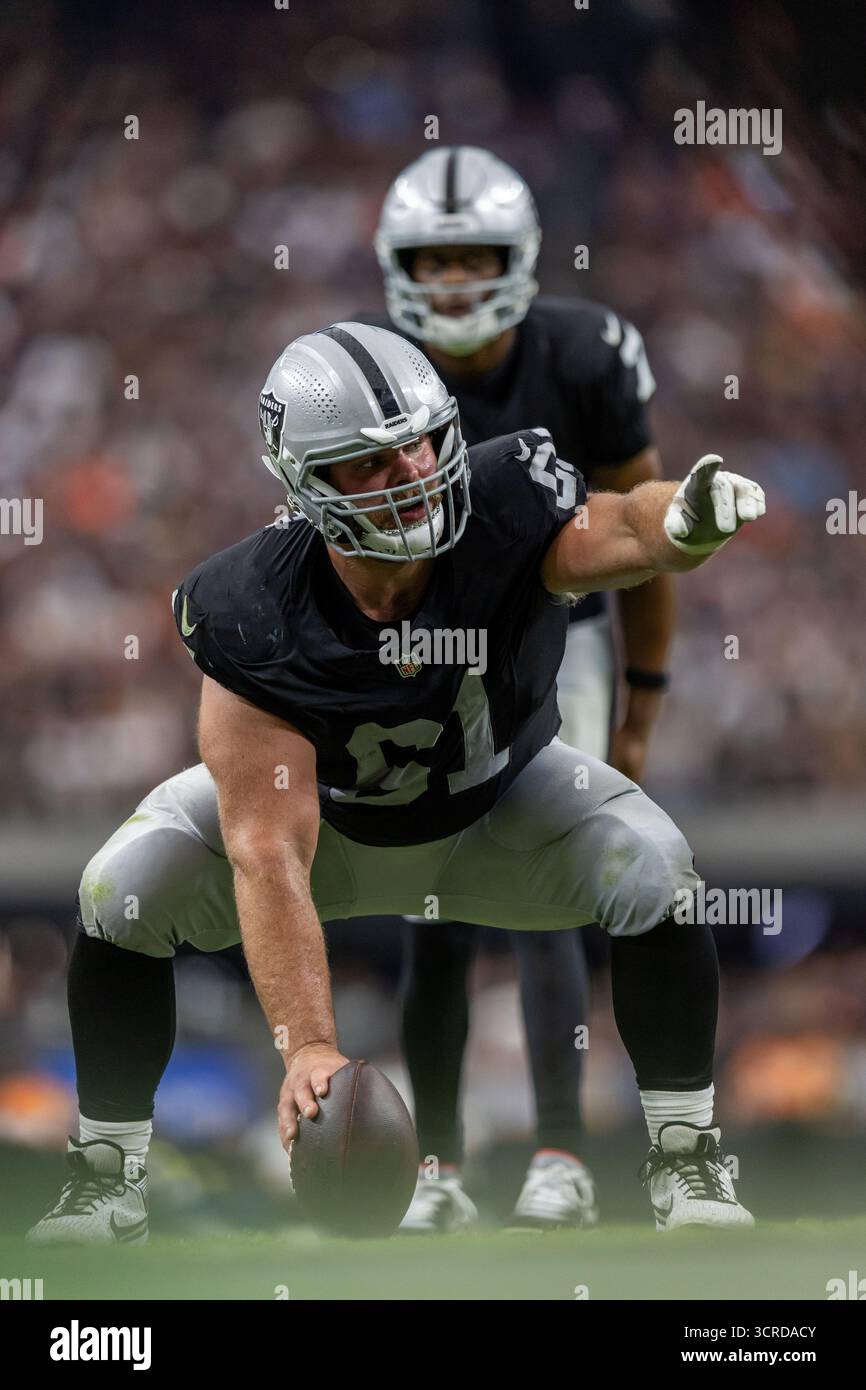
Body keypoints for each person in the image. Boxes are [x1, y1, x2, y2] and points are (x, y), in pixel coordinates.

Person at [28, 321, 763, 1245]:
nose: (412, 471)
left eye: (420, 441)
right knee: (121, 887)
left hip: (498, 813)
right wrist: (308, 1045)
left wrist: (679, 523)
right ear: (306, 483)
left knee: (657, 865)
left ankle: (686, 1157)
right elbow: (268, 854)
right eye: (371, 461)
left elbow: (616, 527)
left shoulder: (506, 498)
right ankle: (107, 1175)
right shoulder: (251, 610)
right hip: (333, 837)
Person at [361, 145, 672, 1231]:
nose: (451, 282)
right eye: (432, 261)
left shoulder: (584, 354)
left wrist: (640, 704)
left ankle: (559, 1156)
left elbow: (648, 540)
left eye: (471, 258)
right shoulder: (372, 371)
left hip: (560, 638)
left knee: (543, 888)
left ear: (519, 259)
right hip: (423, 648)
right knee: (432, 903)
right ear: (399, 266)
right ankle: (436, 1170)